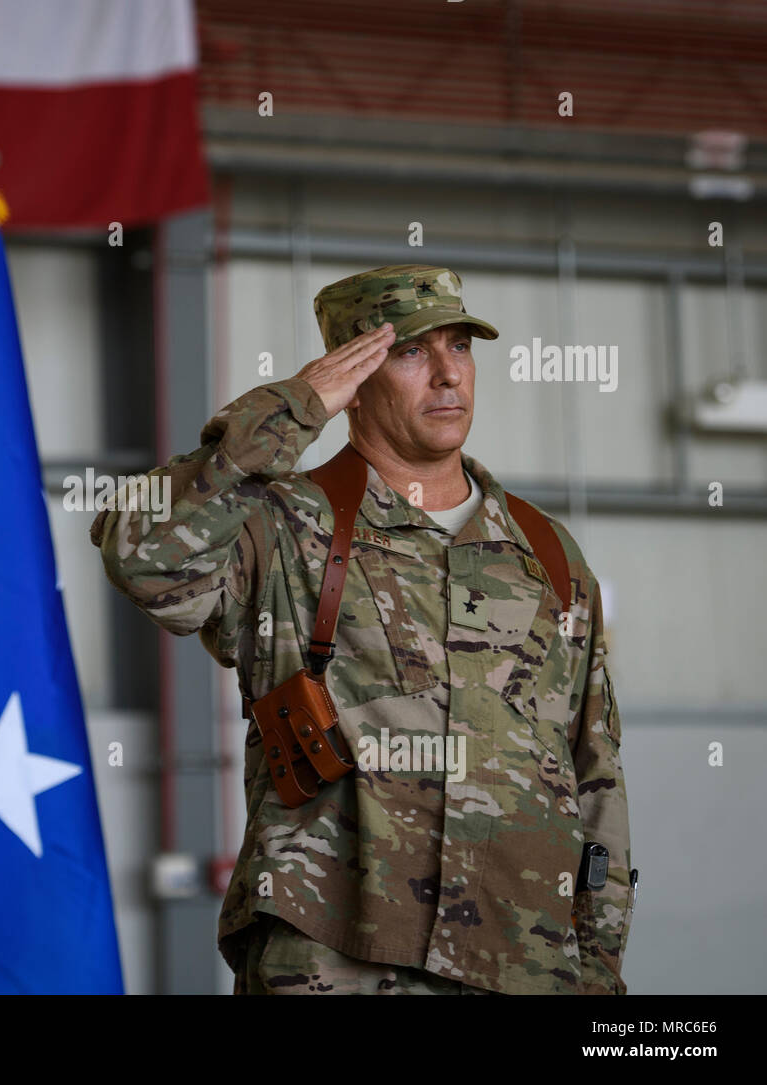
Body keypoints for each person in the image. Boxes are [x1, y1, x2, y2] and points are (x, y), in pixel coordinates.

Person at [90, 265, 635, 995]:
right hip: (335, 957)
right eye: (412, 352)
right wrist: (291, 408)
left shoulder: (546, 551)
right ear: (355, 375)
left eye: (460, 347)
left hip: (524, 965)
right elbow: (142, 557)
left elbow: (594, 767)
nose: (447, 375)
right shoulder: (285, 526)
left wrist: (597, 966)